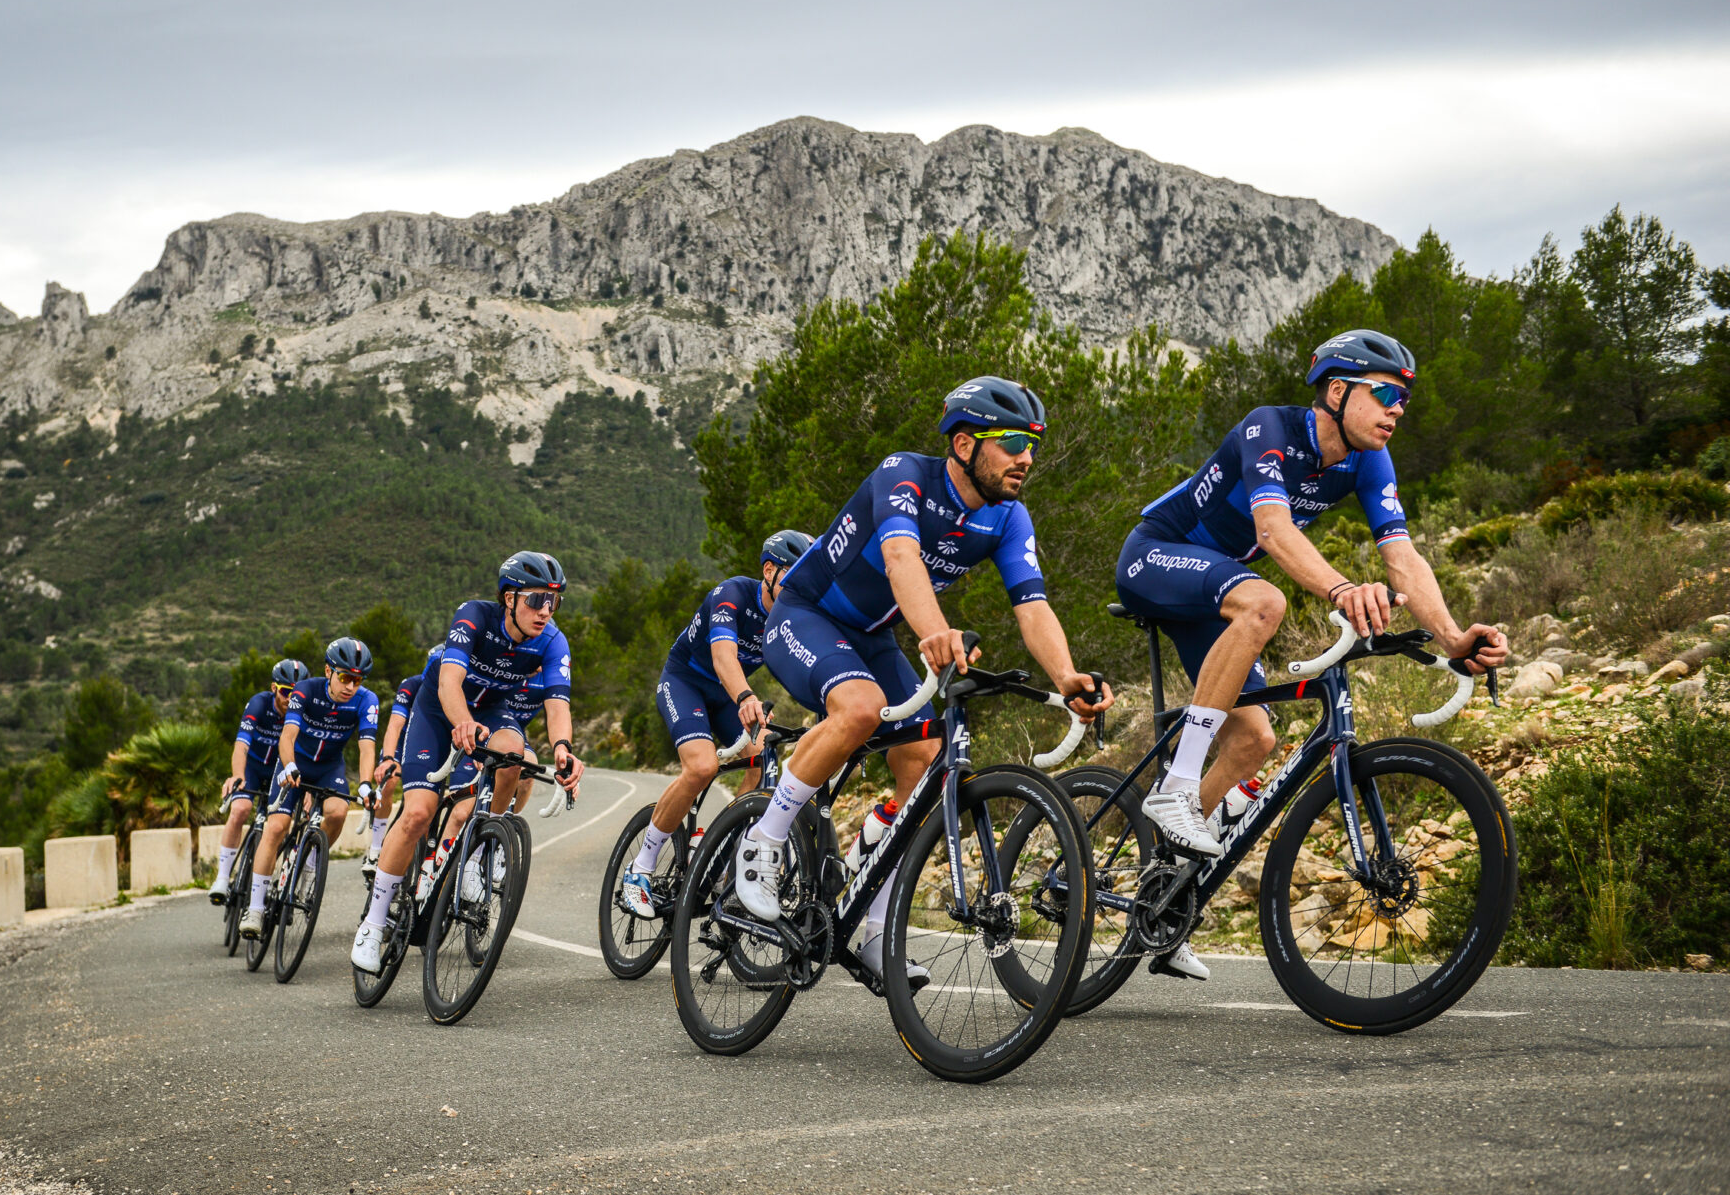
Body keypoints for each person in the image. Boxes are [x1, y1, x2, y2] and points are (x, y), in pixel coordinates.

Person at [1114, 328, 1508, 980]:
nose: (1398, 409)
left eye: (1404, 398)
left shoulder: (1368, 460)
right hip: (1155, 555)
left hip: (1217, 588)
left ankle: (1166, 890)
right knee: (1265, 602)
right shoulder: (1269, 429)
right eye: (1384, 392)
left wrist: (1452, 638)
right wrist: (1341, 588)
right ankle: (1177, 784)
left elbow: (1402, 556)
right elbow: (1271, 529)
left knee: (1254, 741)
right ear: (1335, 391)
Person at [744, 377, 1114, 984]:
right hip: (808, 614)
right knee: (860, 708)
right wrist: (936, 634)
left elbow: (1032, 605)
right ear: (965, 444)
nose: (1026, 457)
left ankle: (872, 932)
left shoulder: (1008, 517)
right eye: (1013, 441)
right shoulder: (905, 477)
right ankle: (764, 838)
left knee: (925, 761)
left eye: (1033, 446)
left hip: (872, 636)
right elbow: (900, 560)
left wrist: (1066, 674)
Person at [350, 552, 584, 972]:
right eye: (535, 600)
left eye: (553, 602)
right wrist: (461, 722)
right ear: (509, 598)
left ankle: (474, 857)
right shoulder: (473, 616)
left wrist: (563, 747)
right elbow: (449, 682)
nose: (545, 611)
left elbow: (556, 704)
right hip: (439, 711)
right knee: (419, 813)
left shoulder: (552, 641)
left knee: (514, 756)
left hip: (491, 711)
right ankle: (374, 921)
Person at [618, 529, 814, 919]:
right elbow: (724, 656)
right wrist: (746, 698)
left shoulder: (791, 614)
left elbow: (803, 665)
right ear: (769, 570)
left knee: (762, 761)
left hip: (727, 695)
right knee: (702, 766)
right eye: (792, 577)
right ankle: (640, 866)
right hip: (685, 682)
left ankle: (725, 852)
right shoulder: (733, 594)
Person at [239, 638, 379, 938]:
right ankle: (255, 908)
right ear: (328, 671)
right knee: (276, 828)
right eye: (344, 677)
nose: (351, 687)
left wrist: (367, 784)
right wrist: (289, 765)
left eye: (357, 680)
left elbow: (367, 747)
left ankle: (310, 862)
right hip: (295, 762)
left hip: (329, 767)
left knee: (339, 811)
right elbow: (287, 735)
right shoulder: (305, 691)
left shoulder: (367, 700)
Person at [209, 658, 308, 904]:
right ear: (274, 688)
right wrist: (238, 775)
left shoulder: (302, 713)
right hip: (252, 768)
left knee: (277, 828)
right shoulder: (258, 704)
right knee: (241, 809)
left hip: (278, 772)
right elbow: (241, 745)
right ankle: (222, 877)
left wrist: (306, 788)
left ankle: (264, 886)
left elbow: (304, 754)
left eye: (296, 694)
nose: (289, 699)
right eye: (286, 692)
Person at [361, 652, 437, 876]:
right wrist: (388, 760)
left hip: (428, 743)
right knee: (391, 780)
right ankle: (375, 849)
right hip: (403, 742)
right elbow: (395, 725)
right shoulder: (412, 685)